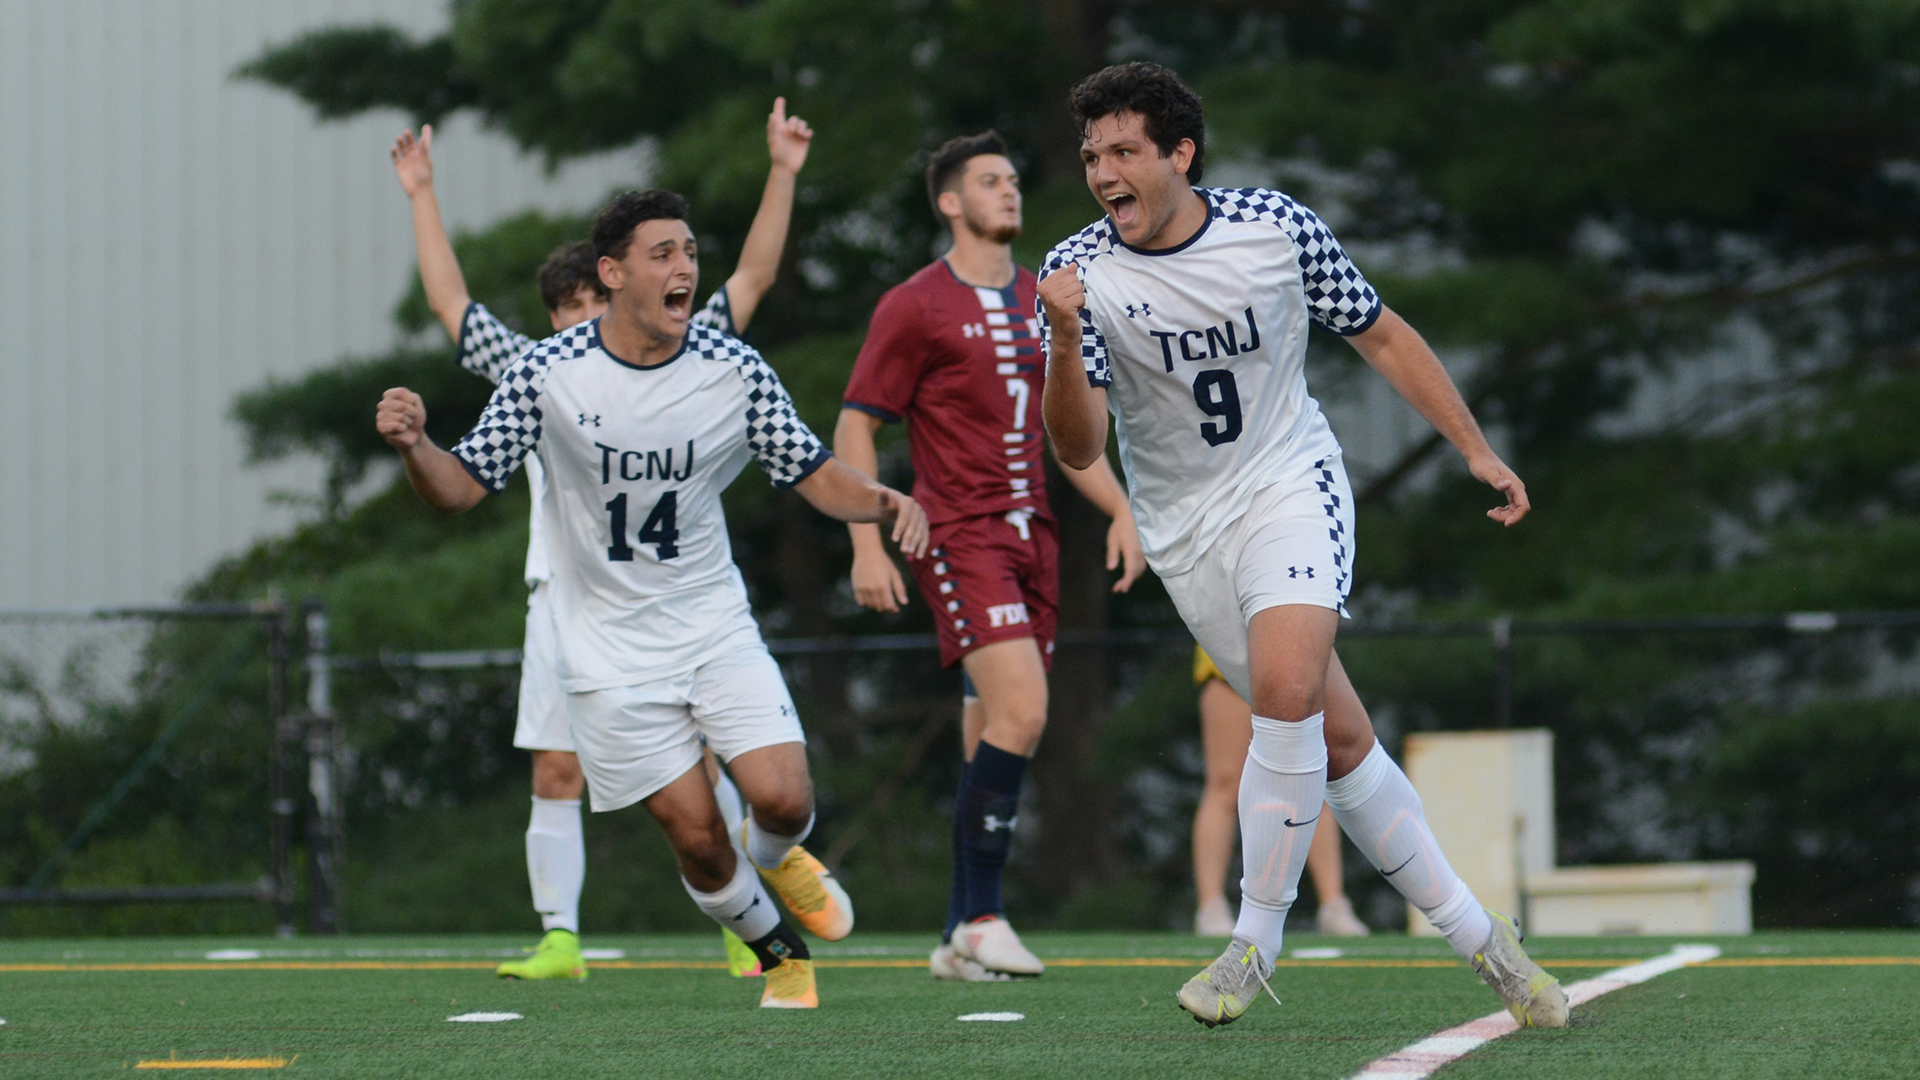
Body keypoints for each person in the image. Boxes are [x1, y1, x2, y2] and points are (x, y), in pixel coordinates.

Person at [1037, 62, 1567, 1029]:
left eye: (1123, 151)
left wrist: (1477, 450)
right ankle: (1485, 944)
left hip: (1291, 482)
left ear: (1179, 154)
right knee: (1340, 738)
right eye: (1090, 156)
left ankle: (1253, 941)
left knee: (1283, 696)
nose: (1103, 171)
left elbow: (1385, 336)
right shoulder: (1080, 276)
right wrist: (1064, 338)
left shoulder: (1276, 228)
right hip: (1185, 533)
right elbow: (1074, 446)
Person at [374, 187, 929, 1009]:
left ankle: (780, 855)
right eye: (663, 253)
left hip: (711, 625)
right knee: (698, 840)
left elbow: (815, 473)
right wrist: (418, 444)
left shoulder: (732, 367)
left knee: (783, 798)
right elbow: (458, 491)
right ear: (614, 272)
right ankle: (780, 956)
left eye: (691, 253)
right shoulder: (543, 371)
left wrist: (885, 500)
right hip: (602, 649)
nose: (685, 269)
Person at [388, 101, 816, 983]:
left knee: (716, 756)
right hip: (566, 603)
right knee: (557, 770)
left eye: (594, 297)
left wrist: (782, 170)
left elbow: (758, 276)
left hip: (681, 605)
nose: (588, 316)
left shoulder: (695, 346)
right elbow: (448, 301)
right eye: (570, 307)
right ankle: (562, 937)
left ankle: (750, 914)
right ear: (558, 316)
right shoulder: (532, 371)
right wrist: (422, 193)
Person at [834, 132, 1145, 981]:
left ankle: (951, 937)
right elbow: (857, 419)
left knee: (992, 737)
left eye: (1013, 179)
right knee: (1024, 714)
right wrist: (866, 536)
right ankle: (981, 916)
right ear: (949, 202)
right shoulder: (914, 303)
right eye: (988, 182)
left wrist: (1122, 509)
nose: (1009, 192)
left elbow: (1070, 429)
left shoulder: (1043, 298)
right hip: (958, 532)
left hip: (1031, 537)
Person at [1192, 647, 1368, 938]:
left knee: (1312, 778)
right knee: (1225, 783)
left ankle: (1333, 904)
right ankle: (1211, 906)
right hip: (1227, 655)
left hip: (1296, 655)